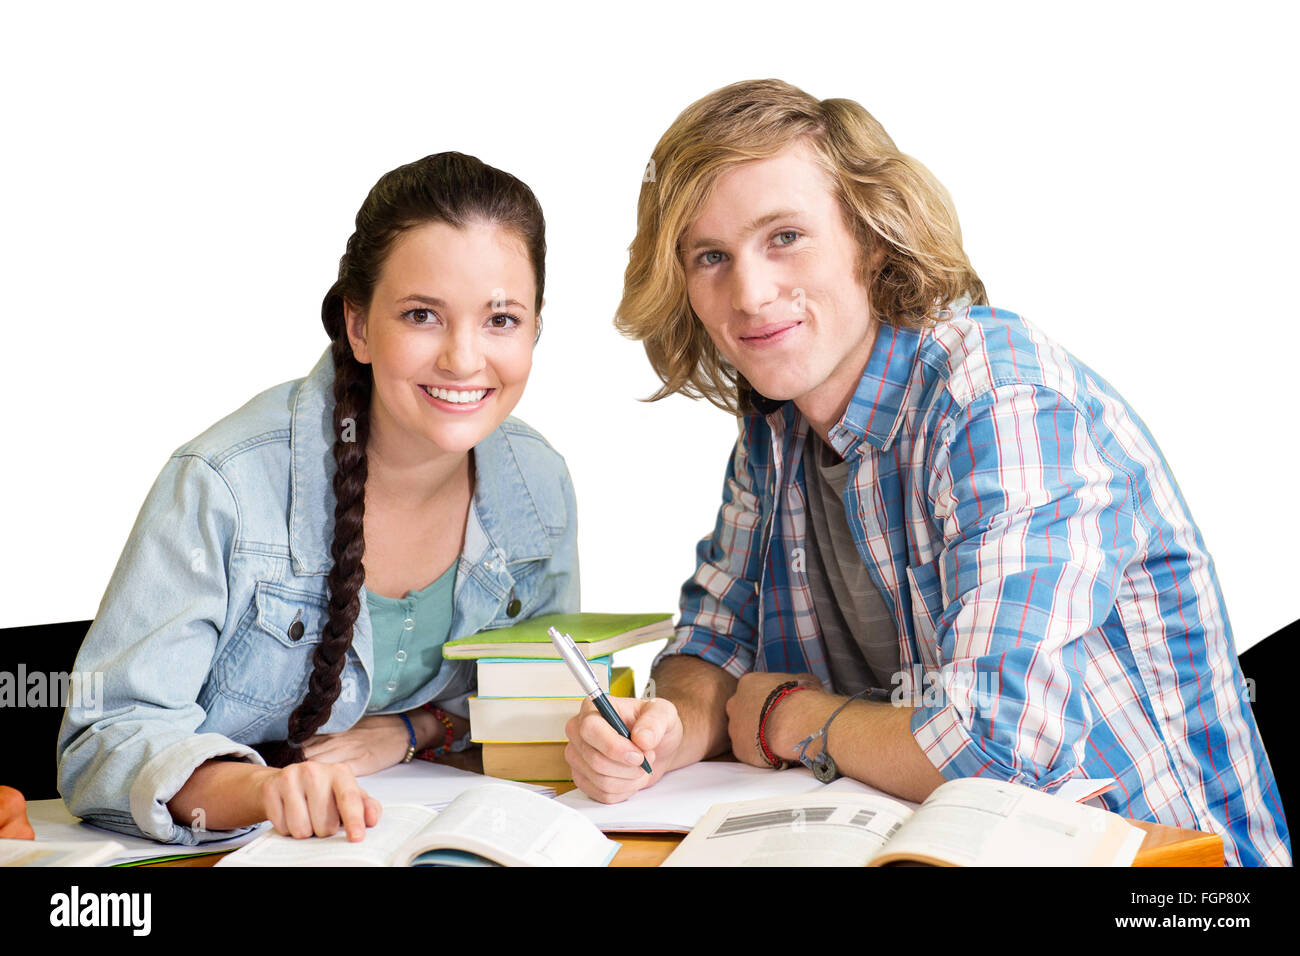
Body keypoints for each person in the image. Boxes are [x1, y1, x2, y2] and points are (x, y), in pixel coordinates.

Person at [566, 79, 1290, 866]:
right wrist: (668, 727)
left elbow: (996, 747)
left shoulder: (998, 397)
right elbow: (715, 644)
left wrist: (786, 717)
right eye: (712, 257)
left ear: (871, 239)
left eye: (784, 237)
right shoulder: (772, 433)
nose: (750, 292)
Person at [57, 152, 578, 845]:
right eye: (423, 315)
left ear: (537, 326)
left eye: (501, 319)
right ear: (358, 327)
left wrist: (412, 732)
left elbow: (536, 709)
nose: (462, 358)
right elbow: (104, 742)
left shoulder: (536, 482)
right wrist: (265, 790)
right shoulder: (226, 485)